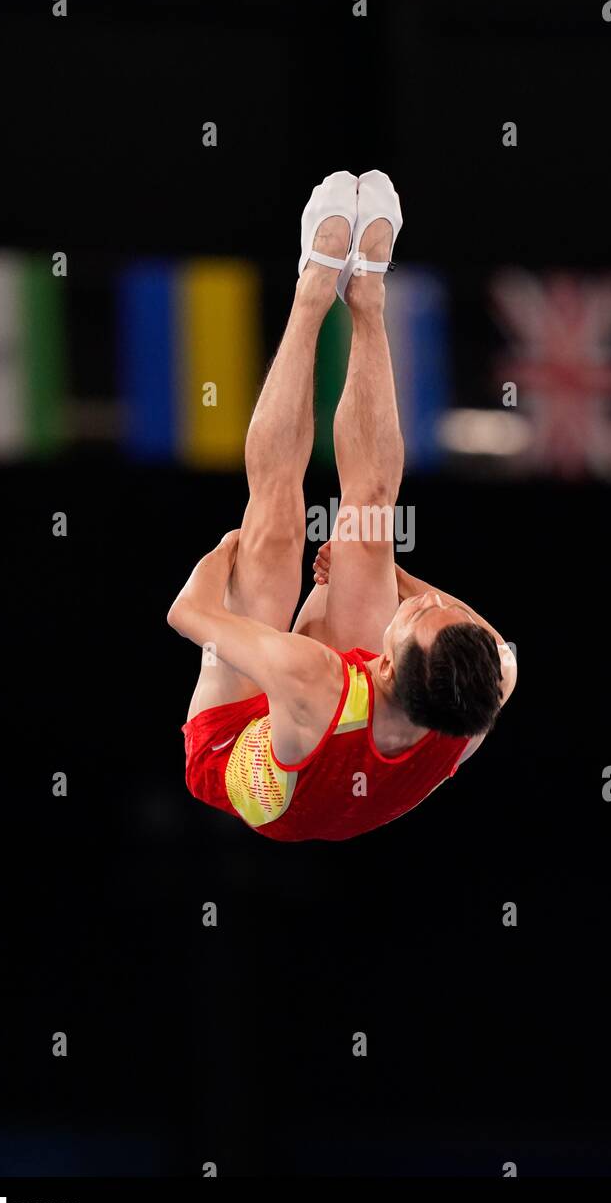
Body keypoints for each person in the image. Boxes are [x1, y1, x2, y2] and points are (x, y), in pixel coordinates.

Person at [167, 170, 517, 842]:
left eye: (418, 613)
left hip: (244, 755)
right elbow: (487, 641)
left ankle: (308, 294)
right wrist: (401, 586)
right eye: (441, 609)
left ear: (381, 663)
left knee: (271, 526)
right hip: (343, 730)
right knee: (371, 521)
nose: (429, 601)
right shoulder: (485, 684)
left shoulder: (313, 677)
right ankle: (365, 294)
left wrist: (218, 556)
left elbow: (189, 614)